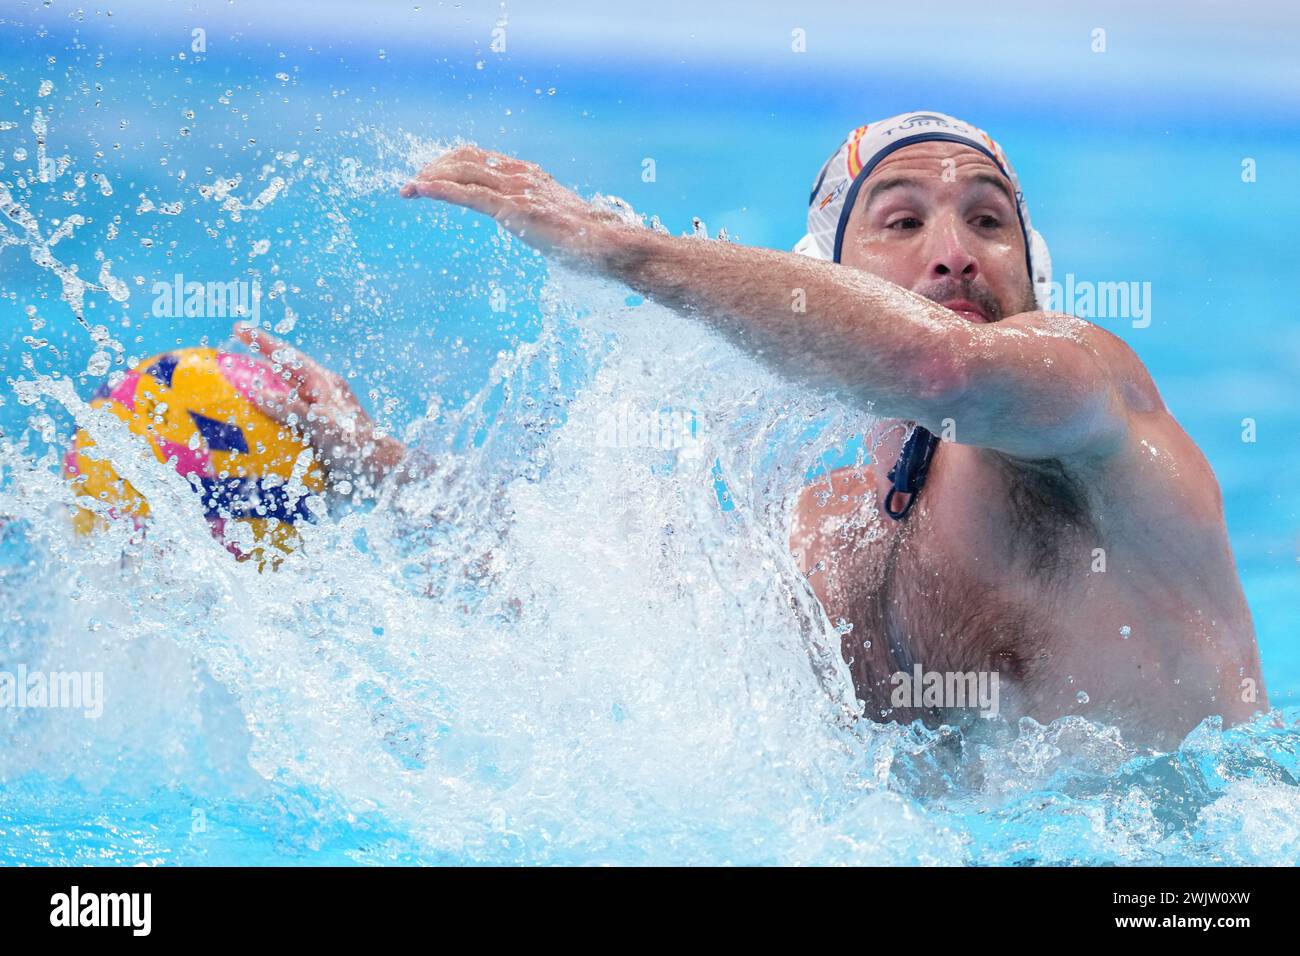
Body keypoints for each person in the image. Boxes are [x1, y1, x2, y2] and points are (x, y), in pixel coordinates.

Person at [241, 110, 1266, 748]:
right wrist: (368, 462)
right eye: (902, 222)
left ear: (1035, 274)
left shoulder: (1087, 398)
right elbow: (585, 589)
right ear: (824, 278)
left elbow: (936, 363)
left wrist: (620, 251)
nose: (954, 253)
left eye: (988, 220)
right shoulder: (831, 536)